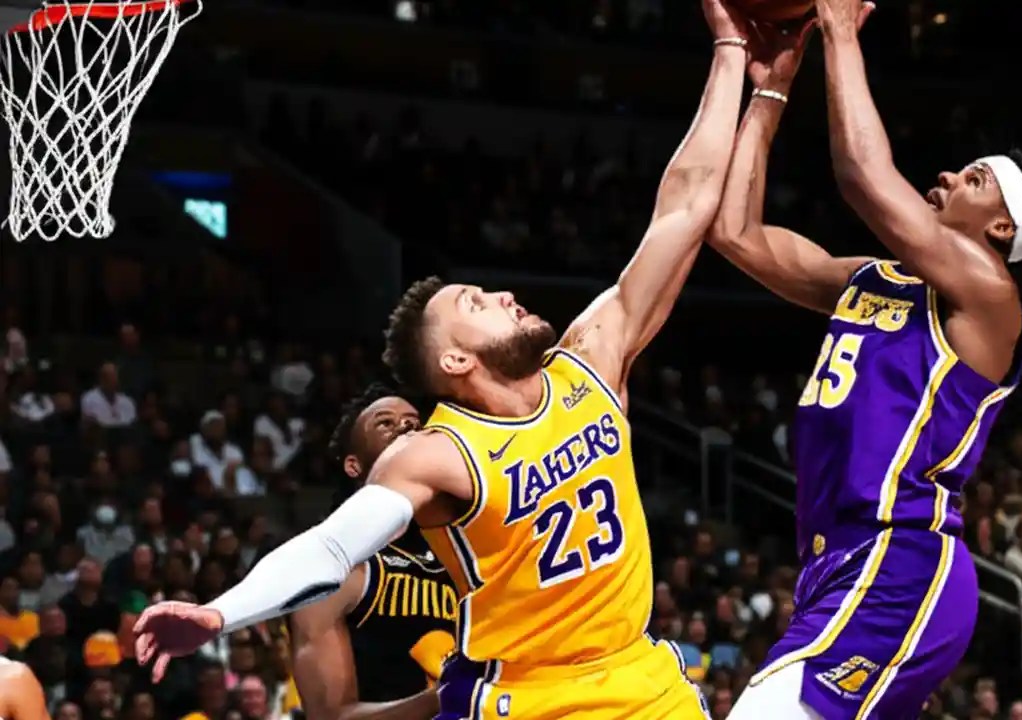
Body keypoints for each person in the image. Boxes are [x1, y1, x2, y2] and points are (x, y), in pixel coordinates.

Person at [134, 2, 752, 717]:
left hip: (640, 679)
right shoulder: (438, 454)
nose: (504, 295)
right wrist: (220, 613)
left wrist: (733, 52)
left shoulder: (591, 360)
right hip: (530, 698)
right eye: (476, 302)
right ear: (456, 360)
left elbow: (684, 206)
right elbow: (330, 549)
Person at [708, 0, 1022, 716]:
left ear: (1003, 228)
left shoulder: (991, 298)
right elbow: (736, 233)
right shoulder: (872, 280)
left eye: (974, 180)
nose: (948, 175)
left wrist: (839, 29)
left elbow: (863, 176)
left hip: (900, 560)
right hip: (830, 566)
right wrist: (772, 89)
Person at [287, 384, 458, 720]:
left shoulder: (465, 545)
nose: (406, 427)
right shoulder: (330, 568)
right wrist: (444, 698)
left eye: (414, 422)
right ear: (354, 466)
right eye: (385, 423)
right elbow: (330, 716)